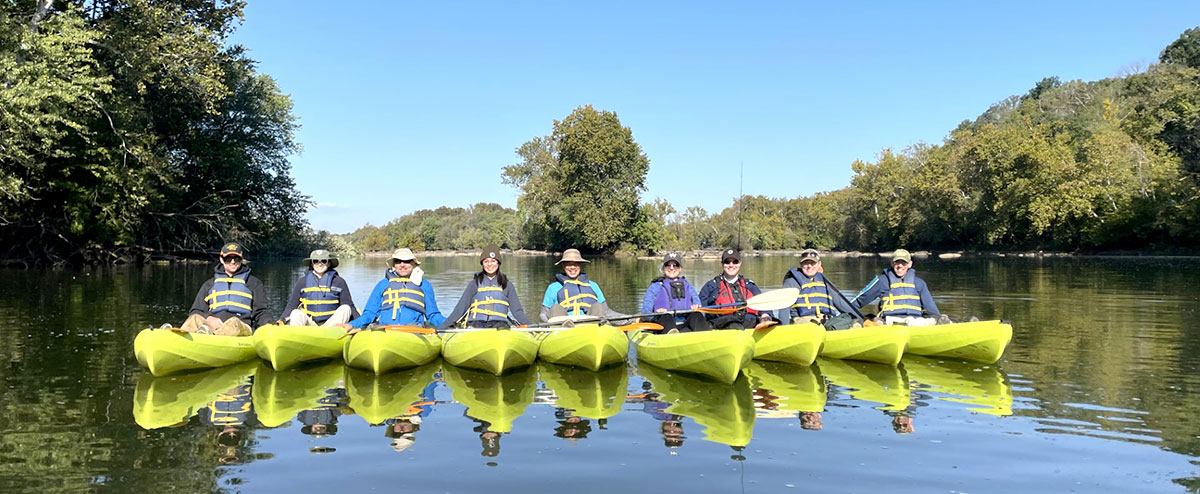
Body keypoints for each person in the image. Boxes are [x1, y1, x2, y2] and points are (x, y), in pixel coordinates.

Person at [338, 248, 446, 332]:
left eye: (407, 261)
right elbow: (370, 314)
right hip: (385, 329)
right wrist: (352, 324)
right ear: (394, 265)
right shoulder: (383, 284)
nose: (402, 265)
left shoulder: (424, 285)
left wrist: (449, 323)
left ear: (413, 264)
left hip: (414, 331)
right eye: (398, 261)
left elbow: (432, 315)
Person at [179, 242, 273, 336]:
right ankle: (178, 338)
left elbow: (261, 312)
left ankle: (209, 338)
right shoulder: (209, 285)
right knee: (194, 318)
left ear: (241, 259)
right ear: (221, 259)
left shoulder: (254, 283)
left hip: (242, 327)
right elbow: (196, 310)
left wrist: (270, 324)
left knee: (234, 322)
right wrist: (208, 317)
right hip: (213, 327)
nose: (233, 262)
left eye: (236, 258)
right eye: (228, 258)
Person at [438, 245, 531, 329]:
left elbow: (517, 311)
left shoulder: (507, 285)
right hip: (476, 323)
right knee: (475, 326)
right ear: (482, 264)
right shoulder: (474, 284)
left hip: (499, 324)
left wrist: (530, 326)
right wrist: (443, 326)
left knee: (502, 327)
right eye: (486, 261)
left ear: (498, 263)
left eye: (493, 261)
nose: (489, 265)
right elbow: (460, 308)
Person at [851, 249, 948, 326]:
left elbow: (932, 311)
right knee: (869, 319)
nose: (900, 266)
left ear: (910, 264)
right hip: (889, 322)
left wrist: (938, 320)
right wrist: (843, 314)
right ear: (892, 263)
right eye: (897, 262)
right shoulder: (881, 281)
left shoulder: (919, 283)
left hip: (915, 322)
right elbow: (859, 301)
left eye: (903, 263)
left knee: (940, 319)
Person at [781, 249, 860, 327]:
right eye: (806, 263)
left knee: (853, 322)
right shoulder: (791, 282)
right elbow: (783, 307)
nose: (809, 266)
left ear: (819, 264)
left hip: (826, 321)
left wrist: (859, 318)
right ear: (801, 264)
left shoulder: (824, 282)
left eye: (813, 263)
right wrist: (783, 328)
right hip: (804, 322)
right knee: (818, 327)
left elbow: (841, 304)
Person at [698, 248, 773, 329]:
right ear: (722, 264)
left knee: (774, 323)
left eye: (735, 262)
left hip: (748, 321)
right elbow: (701, 311)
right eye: (727, 262)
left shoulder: (749, 285)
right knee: (733, 323)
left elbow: (763, 304)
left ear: (740, 263)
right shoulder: (711, 286)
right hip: (723, 323)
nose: (731, 265)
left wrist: (765, 315)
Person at [539, 248, 621, 322]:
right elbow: (543, 314)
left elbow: (606, 312)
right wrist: (548, 324)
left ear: (581, 265)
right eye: (568, 264)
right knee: (555, 308)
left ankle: (598, 330)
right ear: (563, 266)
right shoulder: (553, 287)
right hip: (563, 327)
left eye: (576, 264)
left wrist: (630, 319)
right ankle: (565, 328)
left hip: (591, 324)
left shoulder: (593, 285)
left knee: (598, 306)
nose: (572, 267)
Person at [281, 249, 359, 326]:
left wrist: (360, 322)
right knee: (296, 313)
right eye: (316, 261)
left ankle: (329, 335)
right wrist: (281, 320)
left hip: (331, 325)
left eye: (324, 261)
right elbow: (291, 306)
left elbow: (350, 305)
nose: (320, 264)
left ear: (329, 264)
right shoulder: (302, 282)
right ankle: (296, 336)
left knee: (346, 308)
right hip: (310, 324)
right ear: (312, 264)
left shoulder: (339, 282)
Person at [641, 252, 710, 333]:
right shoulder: (655, 287)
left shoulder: (688, 286)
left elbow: (701, 311)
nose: (672, 268)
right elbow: (646, 313)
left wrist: (696, 308)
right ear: (664, 268)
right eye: (668, 265)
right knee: (666, 317)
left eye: (675, 265)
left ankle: (704, 336)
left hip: (685, 324)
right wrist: (656, 314)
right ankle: (672, 336)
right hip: (663, 325)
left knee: (697, 315)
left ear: (680, 268)